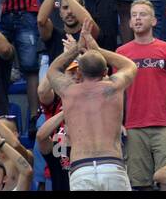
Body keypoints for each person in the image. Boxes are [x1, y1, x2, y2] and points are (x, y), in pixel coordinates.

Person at [44, 24, 139, 190]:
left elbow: (52, 70)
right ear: (105, 72)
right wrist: (98, 49)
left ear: (79, 72)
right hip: (112, 166)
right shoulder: (113, 87)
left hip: (82, 169)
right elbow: (130, 66)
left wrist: (75, 49)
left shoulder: (68, 90)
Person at [116, 0, 166, 190]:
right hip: (133, 127)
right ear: (130, 23)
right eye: (134, 15)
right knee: (139, 184)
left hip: (164, 125)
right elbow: (116, 91)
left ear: (154, 21)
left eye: (143, 14)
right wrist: (118, 122)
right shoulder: (121, 53)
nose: (138, 19)